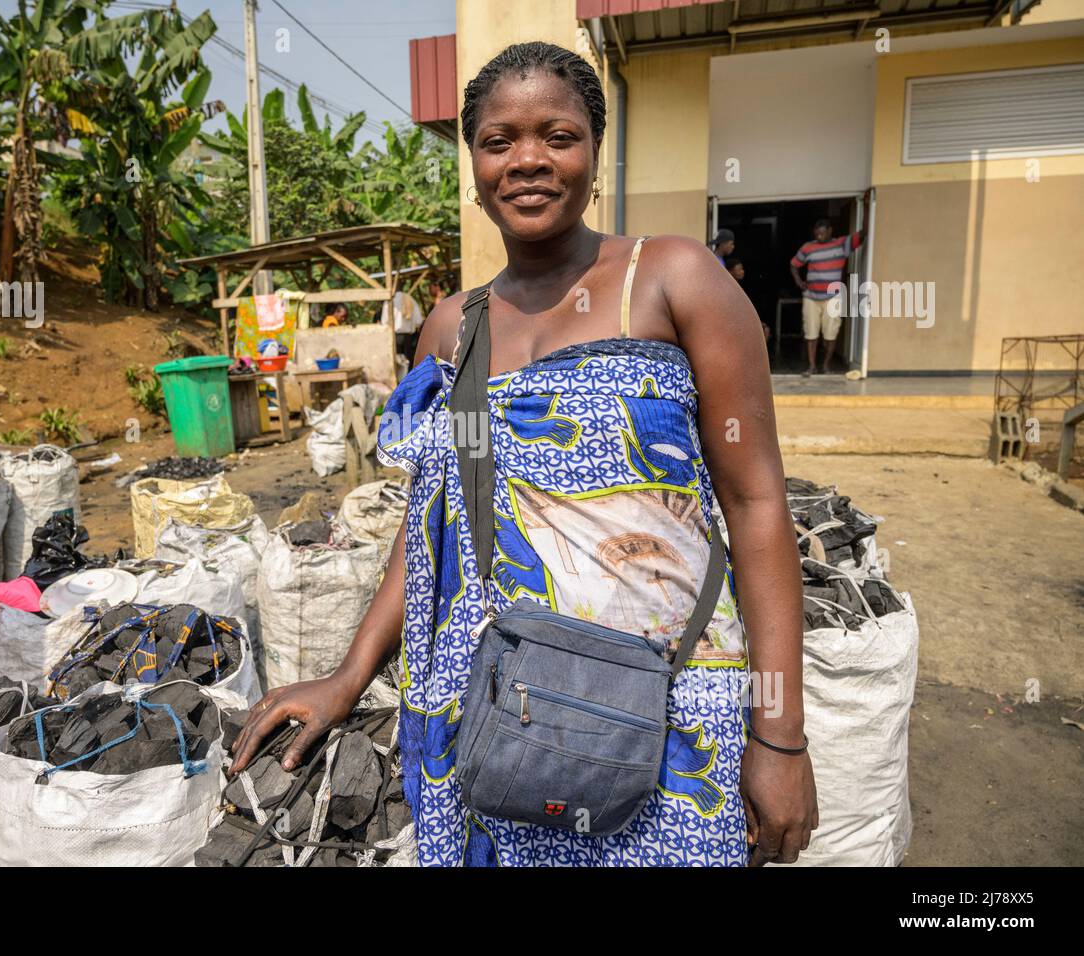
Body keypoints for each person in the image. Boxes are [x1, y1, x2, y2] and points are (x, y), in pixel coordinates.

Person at [231, 41, 815, 868]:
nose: (529, 160)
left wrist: (780, 736)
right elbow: (434, 529)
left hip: (663, 708)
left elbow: (757, 506)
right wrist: (347, 676)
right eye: (499, 141)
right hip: (491, 712)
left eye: (559, 136)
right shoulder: (452, 329)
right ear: (473, 164)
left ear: (594, 153)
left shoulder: (673, 280)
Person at [790, 217, 865, 376]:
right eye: (817, 234)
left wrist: (866, 206)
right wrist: (799, 281)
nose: (819, 237)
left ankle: (826, 366)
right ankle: (812, 366)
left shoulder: (841, 245)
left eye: (822, 234)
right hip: (811, 297)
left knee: (831, 334)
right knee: (811, 333)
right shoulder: (808, 248)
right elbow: (794, 264)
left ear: (830, 231)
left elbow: (863, 234)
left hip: (833, 297)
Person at [726, 257, 771, 344]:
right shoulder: (729, 288)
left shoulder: (738, 286)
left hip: (742, 320)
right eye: (739, 269)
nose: (742, 271)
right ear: (730, 272)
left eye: (742, 269)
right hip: (734, 322)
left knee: (765, 329)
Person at [385, 289, 425, 369]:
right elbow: (419, 321)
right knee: (409, 362)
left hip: (394, 337)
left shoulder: (389, 301)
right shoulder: (411, 300)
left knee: (397, 362)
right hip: (408, 338)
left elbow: (384, 322)